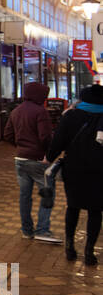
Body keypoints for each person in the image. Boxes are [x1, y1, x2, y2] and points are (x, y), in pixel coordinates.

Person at [47, 83, 103, 266]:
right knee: (96, 210)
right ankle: (89, 252)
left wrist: (49, 158)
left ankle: (70, 248)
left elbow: (59, 141)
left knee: (73, 206)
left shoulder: (71, 115)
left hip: (74, 169)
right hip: (100, 171)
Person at [3, 81, 59, 243]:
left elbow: (7, 135)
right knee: (47, 194)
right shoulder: (40, 112)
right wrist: (48, 153)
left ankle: (26, 230)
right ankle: (42, 229)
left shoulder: (16, 111)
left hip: (20, 160)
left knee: (24, 196)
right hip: (38, 160)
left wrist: (21, 147)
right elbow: (46, 137)